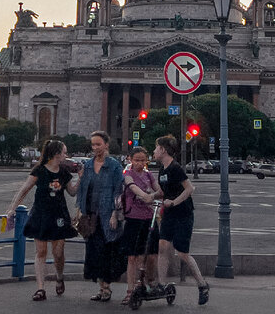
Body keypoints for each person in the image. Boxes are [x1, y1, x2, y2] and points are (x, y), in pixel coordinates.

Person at [6, 138, 80, 301]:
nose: (66, 156)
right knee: (41, 252)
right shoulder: (39, 170)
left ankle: (59, 277)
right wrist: (12, 208)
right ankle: (40, 288)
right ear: (56, 154)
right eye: (65, 152)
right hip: (41, 214)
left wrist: (80, 178)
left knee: (58, 253)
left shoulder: (63, 173)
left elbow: (72, 192)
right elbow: (24, 189)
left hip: (59, 215)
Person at [152, 134, 209, 305]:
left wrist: (174, 202)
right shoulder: (162, 169)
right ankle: (162, 284)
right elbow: (163, 192)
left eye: (156, 148)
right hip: (169, 213)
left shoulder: (175, 168)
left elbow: (190, 188)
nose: (154, 151)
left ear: (162, 150)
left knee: (183, 253)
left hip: (183, 214)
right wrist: (150, 196)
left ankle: (202, 284)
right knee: (162, 246)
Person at [77, 130, 127, 302]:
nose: (95, 148)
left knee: (107, 251)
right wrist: (79, 212)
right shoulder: (88, 165)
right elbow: (83, 191)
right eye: (93, 145)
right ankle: (101, 287)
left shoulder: (114, 166)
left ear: (106, 145)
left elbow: (119, 191)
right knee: (94, 252)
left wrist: (115, 213)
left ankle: (106, 288)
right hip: (91, 216)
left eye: (98, 144)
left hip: (107, 216)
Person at [119, 146, 160, 306]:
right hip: (133, 218)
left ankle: (149, 281)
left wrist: (155, 194)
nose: (140, 163)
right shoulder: (128, 174)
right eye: (137, 160)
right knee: (132, 257)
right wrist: (144, 195)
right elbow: (131, 186)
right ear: (130, 160)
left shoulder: (149, 175)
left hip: (149, 218)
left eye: (143, 160)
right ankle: (130, 290)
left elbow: (159, 190)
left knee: (151, 255)